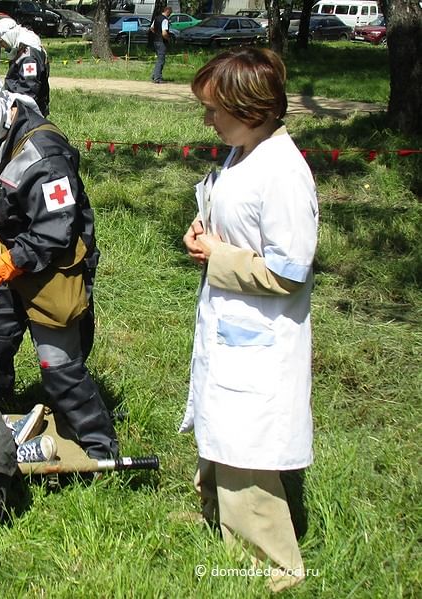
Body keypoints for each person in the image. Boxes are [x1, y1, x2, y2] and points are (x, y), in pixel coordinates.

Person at [180, 47, 318, 592]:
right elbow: (231, 213)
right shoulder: (244, 153)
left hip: (260, 332)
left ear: (252, 109)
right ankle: (217, 515)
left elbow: (290, 270)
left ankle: (272, 563)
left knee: (249, 444)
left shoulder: (284, 173)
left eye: (215, 109)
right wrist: (203, 228)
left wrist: (216, 254)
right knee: (222, 424)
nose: (207, 119)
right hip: (229, 318)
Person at [0, 66, 118, 460]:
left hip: (51, 268)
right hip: (9, 259)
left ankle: (100, 447)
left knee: (60, 368)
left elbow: (57, 230)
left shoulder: (46, 155)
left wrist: (6, 266)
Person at [0, 18, 50, 116]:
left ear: (8, 36)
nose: (2, 46)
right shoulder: (21, 47)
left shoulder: (28, 57)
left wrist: (12, 104)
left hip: (29, 111)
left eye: (1, 41)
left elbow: (28, 89)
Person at [150, 6, 172, 84]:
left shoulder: (156, 18)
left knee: (159, 59)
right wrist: (168, 38)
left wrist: (156, 34)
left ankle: (154, 75)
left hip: (155, 41)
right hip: (161, 42)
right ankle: (157, 78)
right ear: (167, 11)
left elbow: (152, 28)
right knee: (161, 60)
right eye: (170, 12)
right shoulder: (165, 20)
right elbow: (164, 33)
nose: (170, 14)